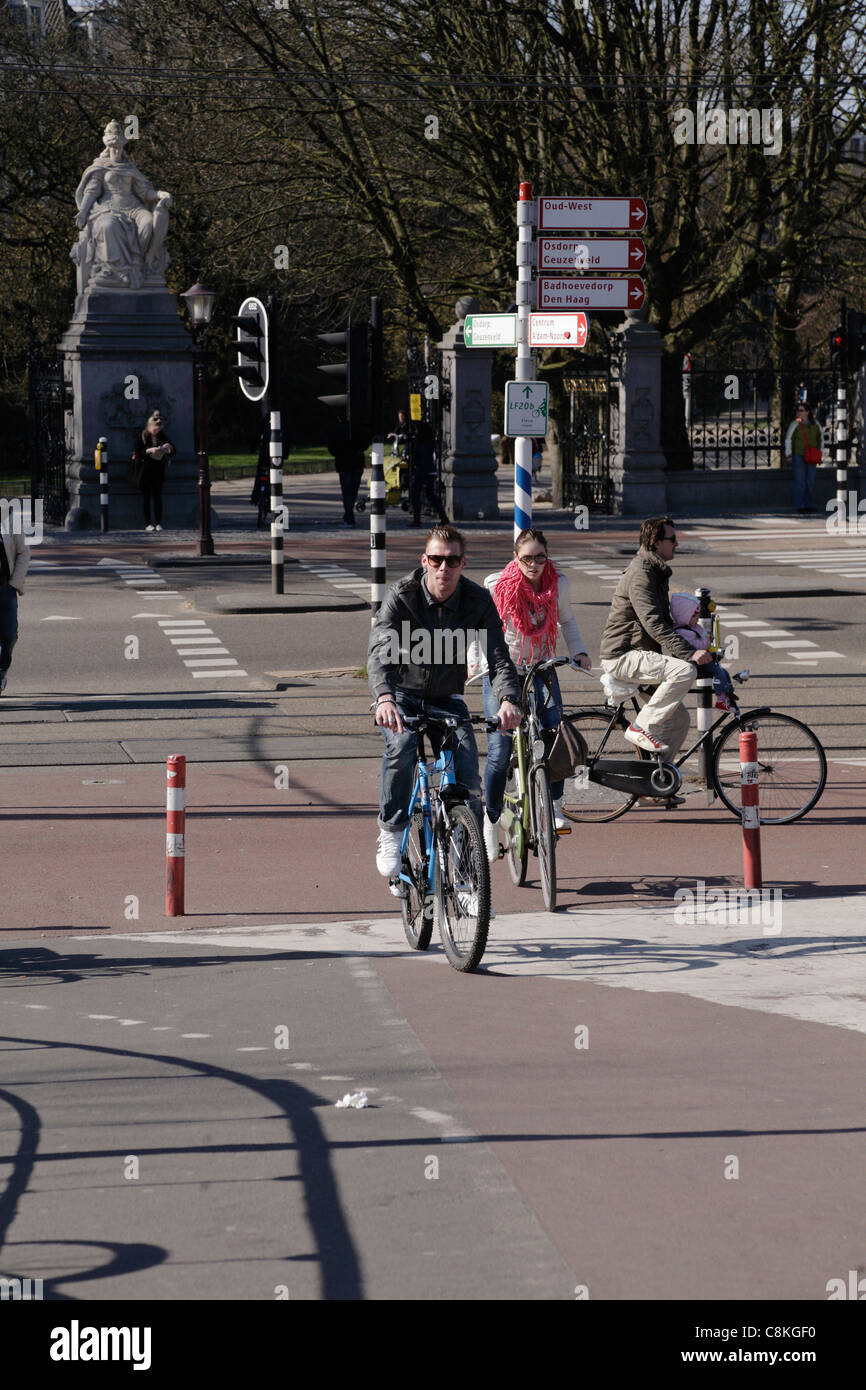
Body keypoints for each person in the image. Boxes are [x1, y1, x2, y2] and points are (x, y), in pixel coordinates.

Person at [368, 524, 522, 878]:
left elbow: (498, 658)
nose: (444, 568)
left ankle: (466, 878)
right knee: (403, 746)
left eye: (452, 560)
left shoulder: (477, 600)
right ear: (424, 560)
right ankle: (391, 831)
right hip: (403, 697)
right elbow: (379, 650)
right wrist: (385, 697)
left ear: (463, 563)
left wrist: (508, 699)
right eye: (436, 559)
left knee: (467, 781)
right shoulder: (402, 595)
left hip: (447, 700)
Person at [476, 527, 592, 860]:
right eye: (527, 557)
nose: (534, 564)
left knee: (556, 736)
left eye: (540, 557)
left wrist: (579, 652)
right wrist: (475, 664)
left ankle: (554, 808)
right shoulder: (497, 585)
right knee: (499, 752)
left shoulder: (559, 584)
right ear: (516, 557)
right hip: (502, 672)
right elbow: (481, 627)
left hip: (541, 667)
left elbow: (567, 623)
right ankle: (491, 819)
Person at [599, 516, 712, 765]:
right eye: (672, 539)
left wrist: (697, 641)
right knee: (684, 671)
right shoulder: (642, 574)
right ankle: (641, 727)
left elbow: (664, 623)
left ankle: (659, 781)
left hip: (638, 653)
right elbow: (653, 623)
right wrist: (689, 653)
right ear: (656, 541)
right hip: (623, 654)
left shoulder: (655, 571)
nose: (677, 544)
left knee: (679, 719)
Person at [670, 593, 735, 711]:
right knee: (718, 672)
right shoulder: (683, 632)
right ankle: (721, 698)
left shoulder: (692, 627)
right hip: (695, 662)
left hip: (701, 658)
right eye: (695, 617)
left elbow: (701, 635)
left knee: (723, 672)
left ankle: (728, 693)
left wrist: (707, 636)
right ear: (684, 616)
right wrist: (707, 641)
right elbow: (697, 645)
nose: (698, 619)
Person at [0, 511, 30, 695]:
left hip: (5, 588)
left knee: (10, 636)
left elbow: (23, 552)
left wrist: (14, 584)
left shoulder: (10, 520)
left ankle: (2, 671)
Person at [131, 410, 175, 531]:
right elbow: (138, 454)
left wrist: (168, 448)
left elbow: (173, 450)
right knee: (146, 497)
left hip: (158, 471)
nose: (157, 431)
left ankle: (158, 522)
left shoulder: (162, 435)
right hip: (144, 471)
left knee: (157, 497)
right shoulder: (142, 437)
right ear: (149, 426)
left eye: (159, 429)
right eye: (155, 429)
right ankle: (147, 523)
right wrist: (149, 451)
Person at [408, 421, 448, 527]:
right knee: (430, 495)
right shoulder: (428, 441)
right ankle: (443, 516)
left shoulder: (423, 443)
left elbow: (422, 459)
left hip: (423, 471)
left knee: (415, 494)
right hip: (429, 471)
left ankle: (417, 519)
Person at [785, 401, 822, 513]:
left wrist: (820, 452)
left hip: (812, 456)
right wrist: (789, 454)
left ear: (807, 412)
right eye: (798, 410)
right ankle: (800, 506)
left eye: (801, 410)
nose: (799, 413)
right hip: (799, 455)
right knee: (800, 482)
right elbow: (788, 439)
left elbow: (820, 439)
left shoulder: (816, 424)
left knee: (810, 481)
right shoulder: (795, 424)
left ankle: (808, 504)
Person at [327, 425, 367, 527]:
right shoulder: (358, 427)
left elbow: (332, 446)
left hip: (344, 462)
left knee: (347, 491)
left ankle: (349, 515)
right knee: (352, 490)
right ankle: (349, 515)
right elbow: (365, 443)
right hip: (356, 461)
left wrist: (339, 454)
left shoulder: (337, 429)